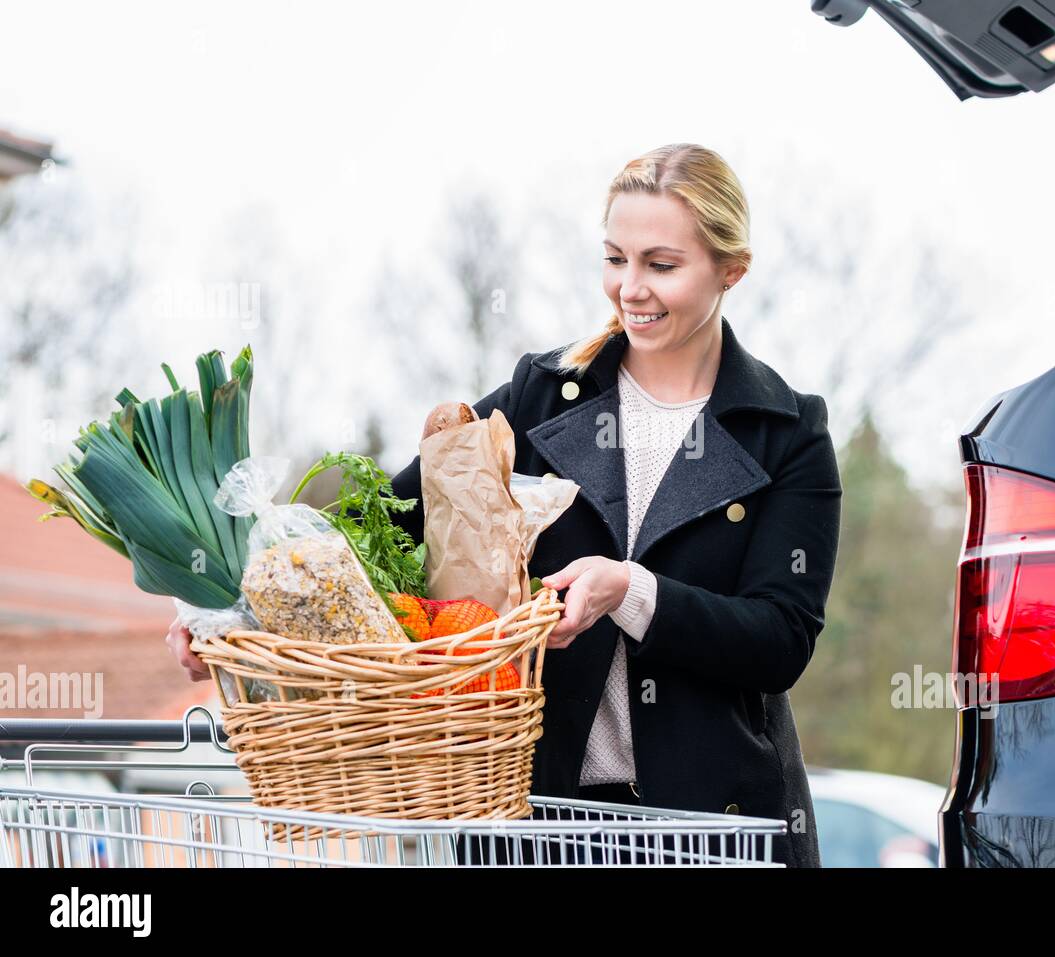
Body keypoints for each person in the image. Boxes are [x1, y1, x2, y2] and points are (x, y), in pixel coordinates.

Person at [166, 142, 842, 868]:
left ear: (730, 270)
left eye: (661, 265)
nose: (630, 288)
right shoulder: (542, 396)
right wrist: (231, 600)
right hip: (540, 823)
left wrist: (630, 589)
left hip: (712, 828)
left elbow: (780, 640)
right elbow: (384, 520)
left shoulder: (788, 432)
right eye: (615, 258)